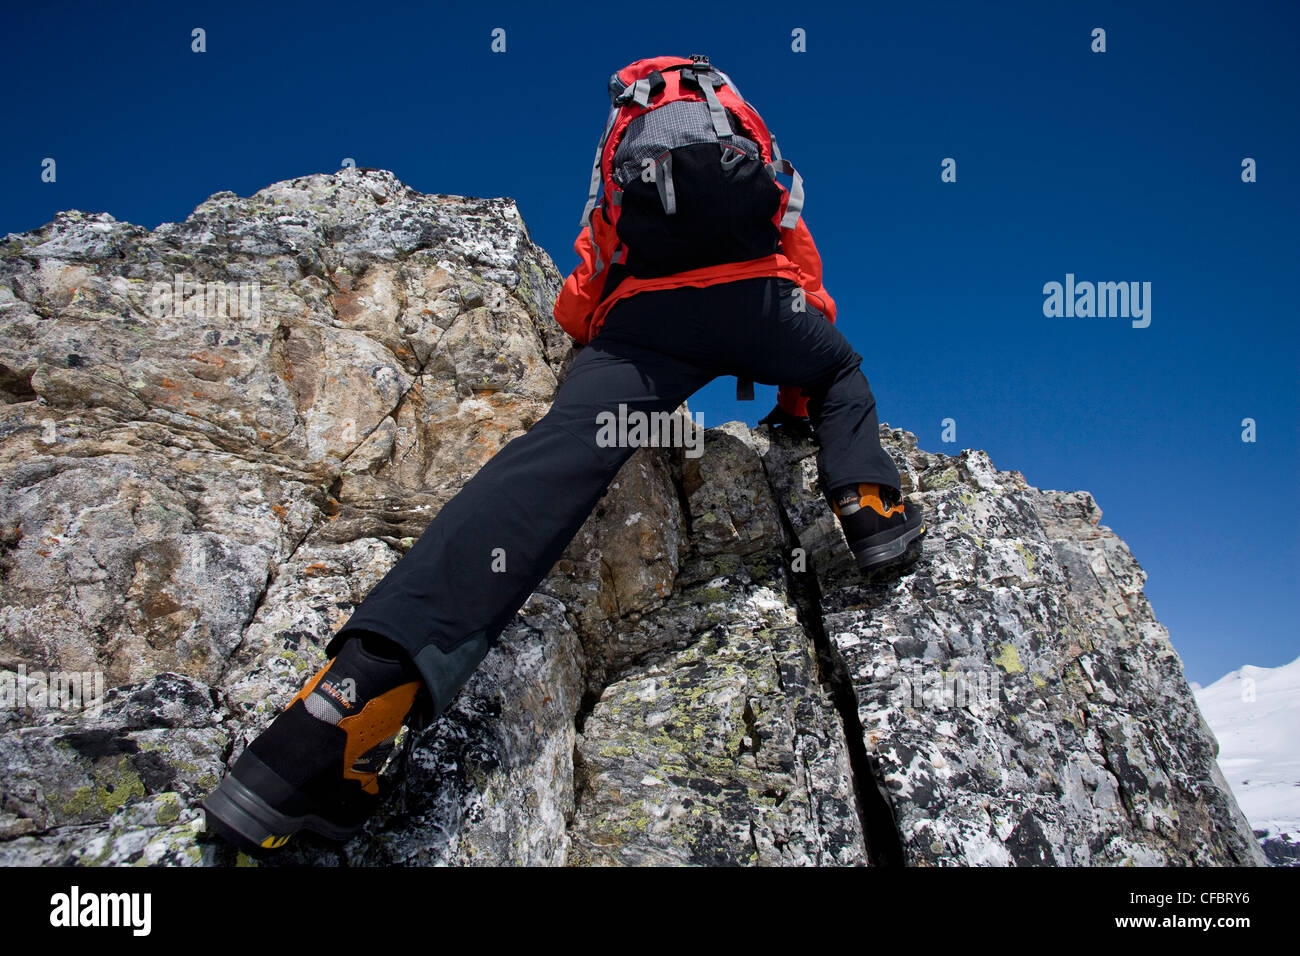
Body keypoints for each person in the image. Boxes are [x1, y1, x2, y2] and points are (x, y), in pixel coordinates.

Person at [202, 54, 925, 854]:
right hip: (760, 300)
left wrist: (592, 333)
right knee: (842, 369)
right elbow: (793, 242)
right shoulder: (734, 114)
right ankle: (868, 503)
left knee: (552, 460)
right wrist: (794, 376)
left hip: (646, 321)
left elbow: (595, 260)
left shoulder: (624, 133)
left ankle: (349, 702)